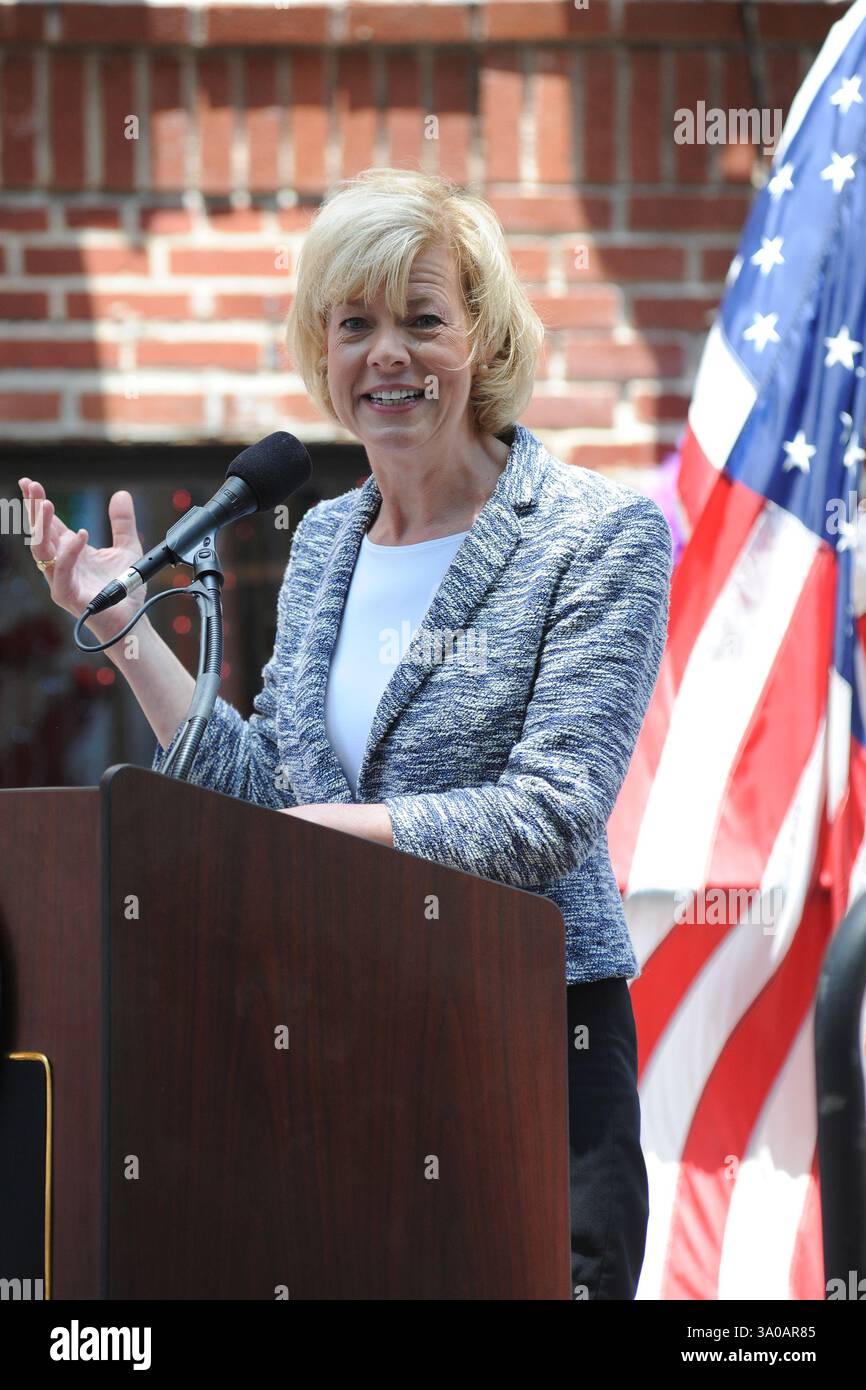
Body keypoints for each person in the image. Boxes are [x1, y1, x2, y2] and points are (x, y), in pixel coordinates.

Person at [19, 166, 672, 1300]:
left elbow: (548, 814)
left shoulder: (592, 533)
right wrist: (128, 633)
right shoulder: (324, 541)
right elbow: (267, 797)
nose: (388, 354)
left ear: (483, 338)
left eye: (422, 319)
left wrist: (316, 841)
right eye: (354, 324)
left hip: (526, 1048)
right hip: (333, 1047)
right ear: (320, 351)